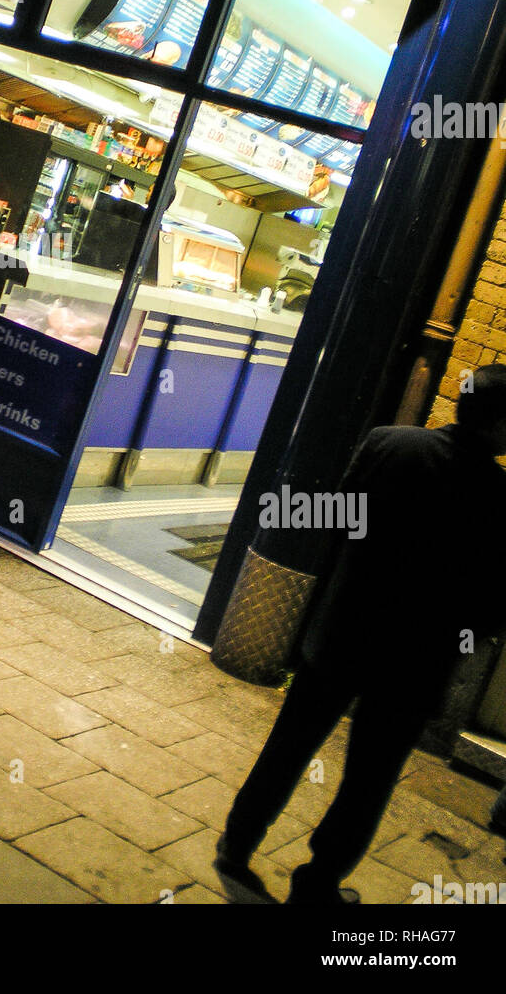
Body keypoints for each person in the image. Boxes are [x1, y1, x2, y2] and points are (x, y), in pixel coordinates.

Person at [216, 365, 506, 904]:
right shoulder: (498, 496)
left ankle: (237, 842)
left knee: (289, 745)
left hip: (341, 634)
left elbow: (340, 521)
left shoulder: (388, 443)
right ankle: (319, 882)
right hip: (415, 664)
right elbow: (491, 604)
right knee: (368, 780)